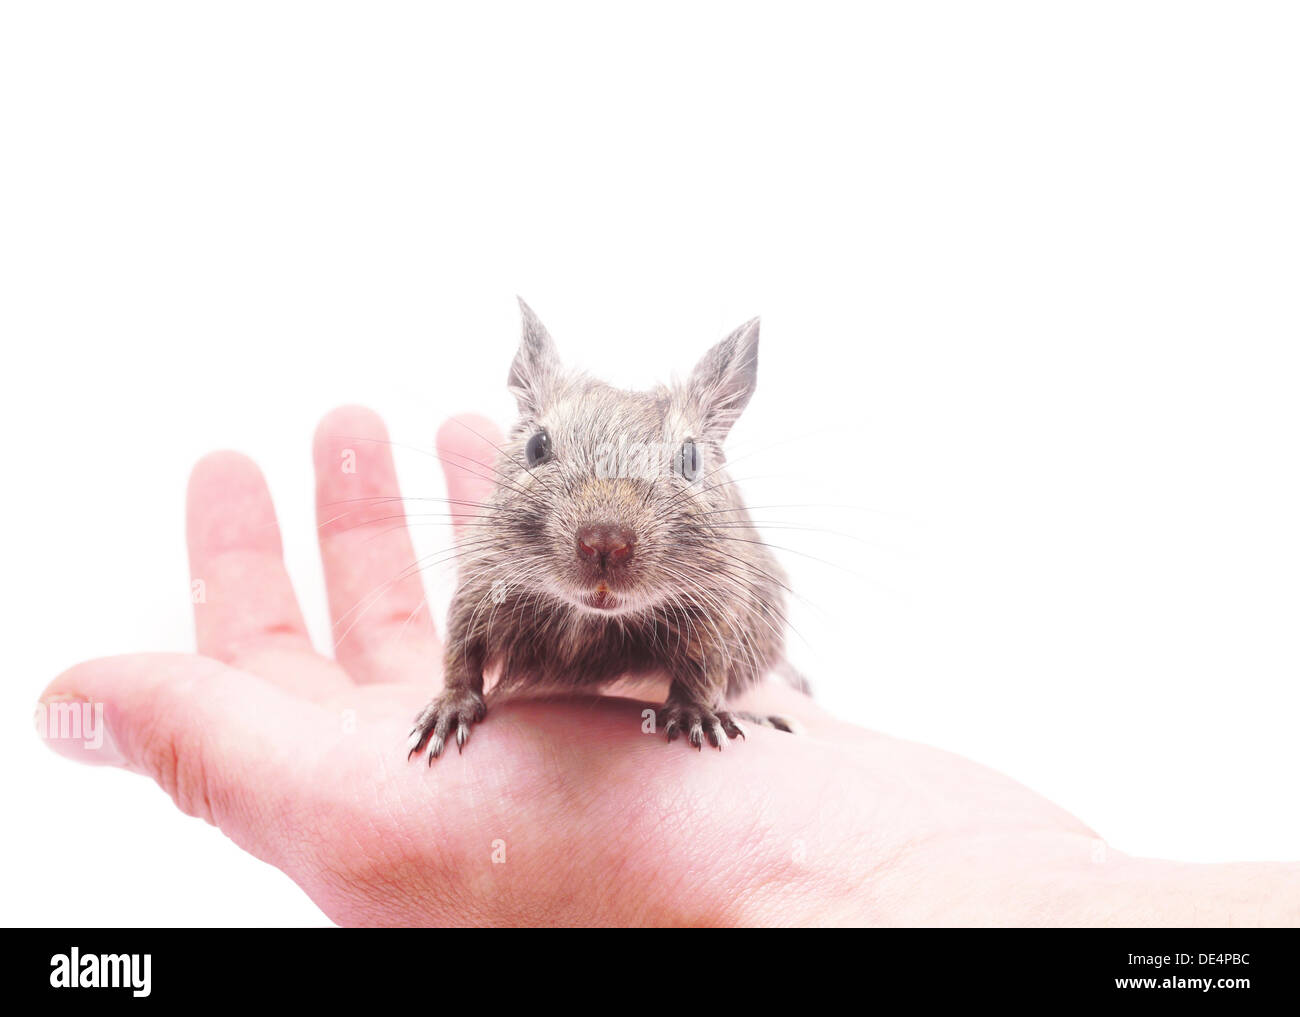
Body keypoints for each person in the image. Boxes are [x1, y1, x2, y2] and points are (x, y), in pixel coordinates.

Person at [38, 406, 1300, 927]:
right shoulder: (495, 569)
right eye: (546, 460)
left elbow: (726, 617)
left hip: (720, 672)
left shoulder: (716, 571)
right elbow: (468, 631)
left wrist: (709, 699)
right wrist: (457, 691)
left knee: (741, 641)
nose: (604, 537)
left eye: (675, 475)